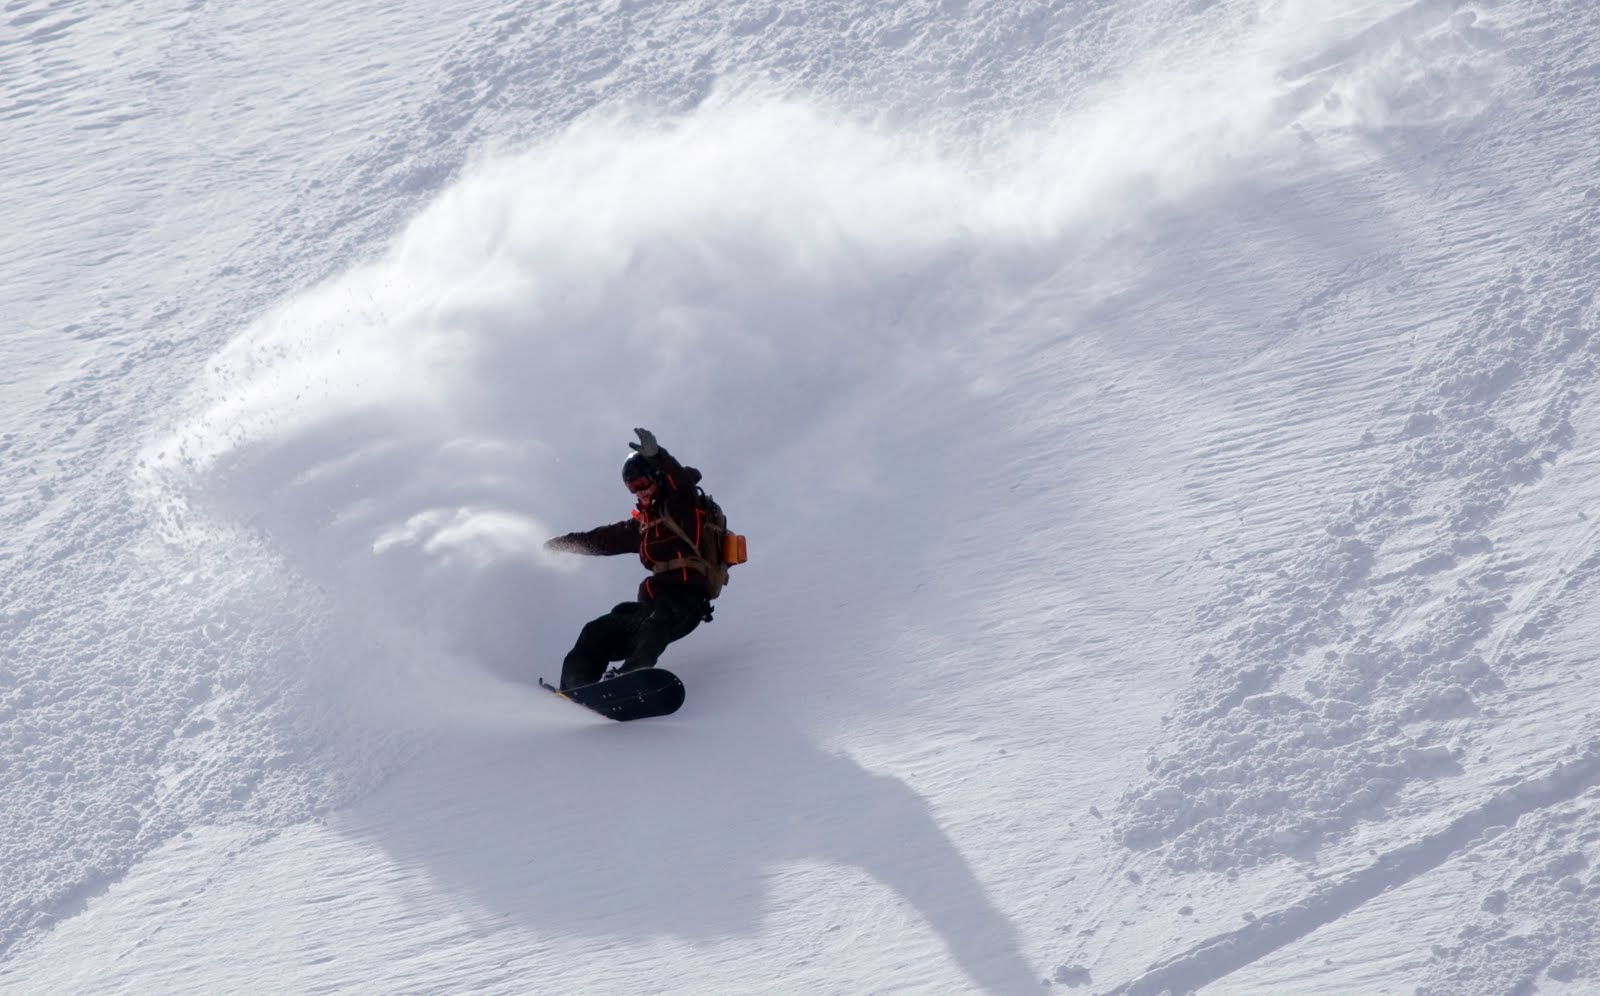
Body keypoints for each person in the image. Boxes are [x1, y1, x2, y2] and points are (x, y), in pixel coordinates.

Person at [543, 428, 716, 691]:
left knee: (659, 616)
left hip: (685, 605)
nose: (638, 493)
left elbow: (681, 483)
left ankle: (629, 678)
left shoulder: (683, 508)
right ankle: (575, 688)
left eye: (642, 484)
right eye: (631, 488)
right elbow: (604, 539)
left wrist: (659, 456)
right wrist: (564, 544)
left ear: (657, 478)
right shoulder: (644, 525)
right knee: (597, 630)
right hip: (653, 607)